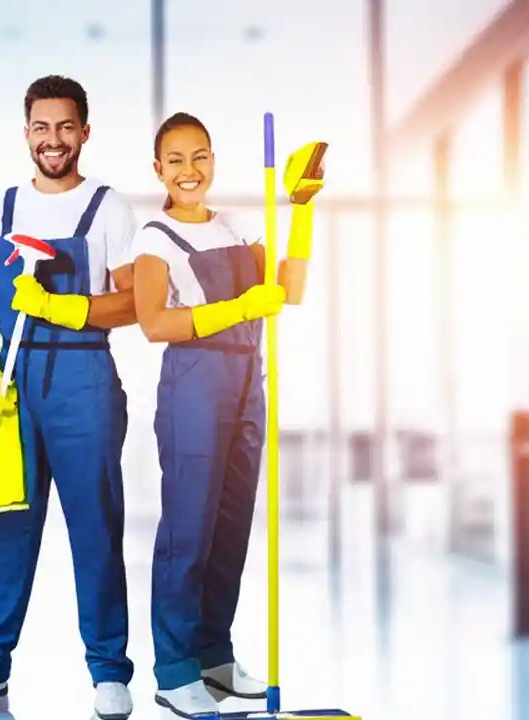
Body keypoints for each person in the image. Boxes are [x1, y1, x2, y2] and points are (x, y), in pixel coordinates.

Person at [0, 74, 139, 720]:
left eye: (66, 127)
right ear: (27, 132)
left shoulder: (110, 208)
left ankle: (109, 671)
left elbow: (134, 303)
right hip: (11, 383)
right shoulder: (1, 209)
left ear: (84, 131)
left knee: (94, 528)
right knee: (5, 527)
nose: (53, 140)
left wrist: (63, 307)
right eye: (42, 127)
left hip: (83, 379)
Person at [131, 112, 315, 718]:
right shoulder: (154, 237)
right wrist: (236, 306)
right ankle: (174, 668)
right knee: (188, 533)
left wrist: (302, 208)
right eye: (177, 160)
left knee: (230, 530)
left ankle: (213, 655)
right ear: (159, 169)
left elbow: (289, 290)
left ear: (213, 161)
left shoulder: (237, 229)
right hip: (193, 388)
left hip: (246, 387)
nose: (190, 171)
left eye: (200, 157)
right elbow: (156, 322)